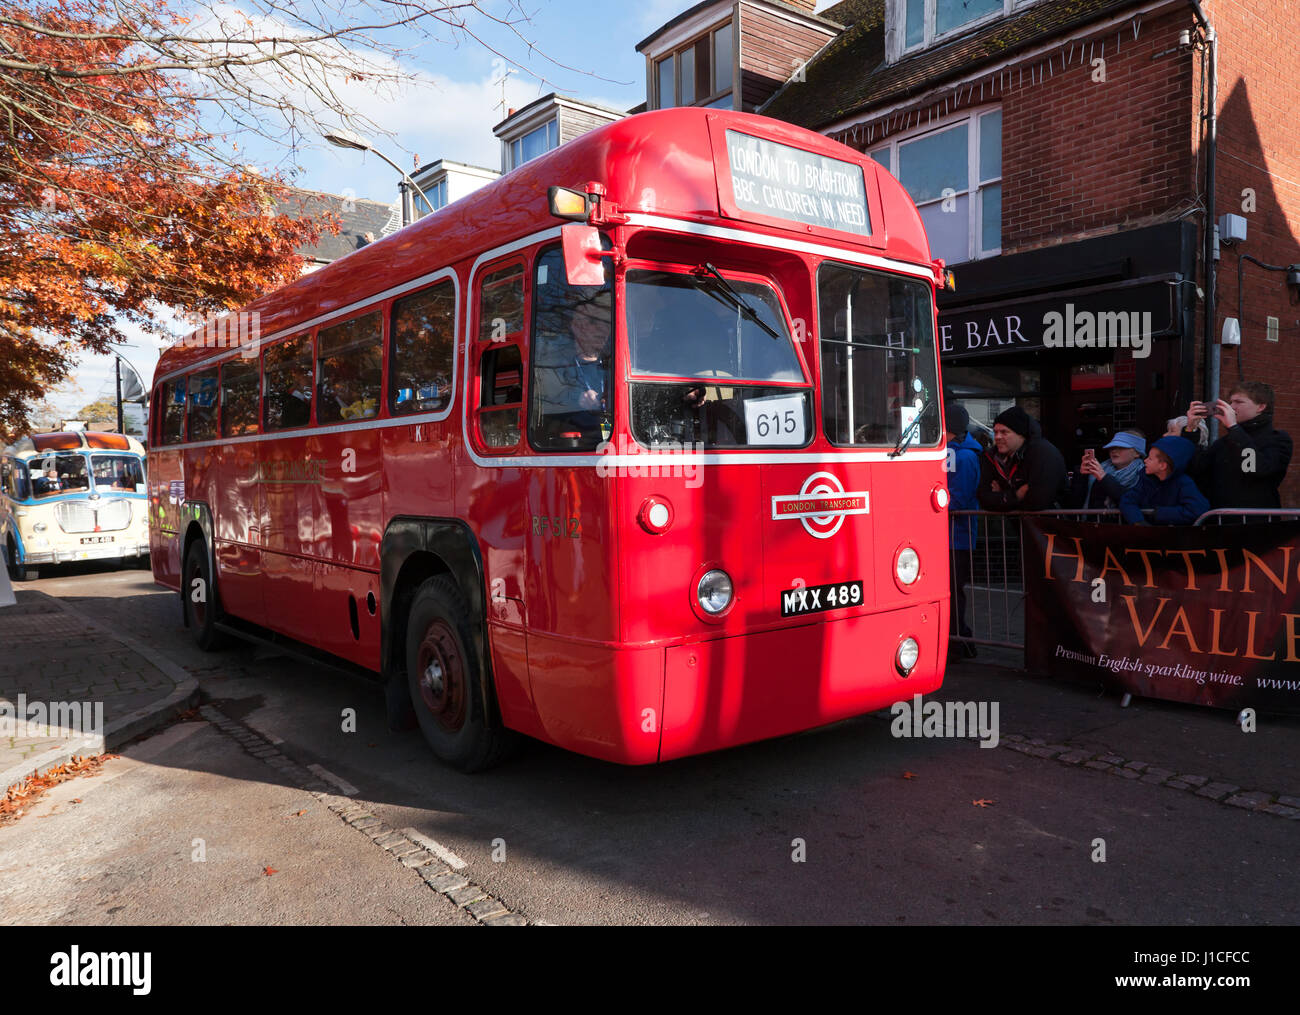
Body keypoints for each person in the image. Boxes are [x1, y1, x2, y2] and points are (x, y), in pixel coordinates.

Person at [1179, 382, 1292, 509]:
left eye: (1239, 402)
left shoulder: (1278, 439)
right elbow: (1195, 469)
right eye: (1231, 402)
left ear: (1261, 407)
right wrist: (1191, 430)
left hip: (1255, 522)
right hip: (1218, 520)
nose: (1232, 407)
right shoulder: (1224, 442)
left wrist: (1233, 428)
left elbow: (1255, 469)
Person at [532, 296, 612, 441]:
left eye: (606, 322)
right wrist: (577, 398)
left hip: (613, 442)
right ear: (575, 326)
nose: (602, 328)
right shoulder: (556, 368)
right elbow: (545, 401)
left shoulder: (613, 367)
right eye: (593, 322)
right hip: (576, 446)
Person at [976, 405, 1068, 511]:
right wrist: (1016, 495)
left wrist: (1002, 496)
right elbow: (983, 498)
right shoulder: (991, 455)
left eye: (1004, 432)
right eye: (995, 432)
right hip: (1016, 525)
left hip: (1049, 524)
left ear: (1021, 434)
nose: (997, 437)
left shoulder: (1043, 454)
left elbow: (1037, 502)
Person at [944, 401, 980, 657]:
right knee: (952, 591)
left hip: (957, 538)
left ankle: (960, 641)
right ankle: (960, 640)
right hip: (950, 536)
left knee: (954, 591)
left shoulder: (965, 456)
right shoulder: (956, 452)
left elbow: (959, 498)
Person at [1119, 435, 1209, 524]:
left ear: (1162, 466)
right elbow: (1127, 501)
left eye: (1150, 459)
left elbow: (1197, 510)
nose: (1145, 460)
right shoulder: (1146, 480)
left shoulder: (1184, 483)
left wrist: (1159, 513)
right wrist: (1138, 521)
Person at [1066, 429, 1146, 510]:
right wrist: (1082, 476)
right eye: (1112, 447)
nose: (1114, 450)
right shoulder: (1101, 468)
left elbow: (1132, 501)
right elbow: (1074, 504)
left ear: (1137, 453)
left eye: (1121, 447)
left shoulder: (1144, 474)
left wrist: (1104, 478)